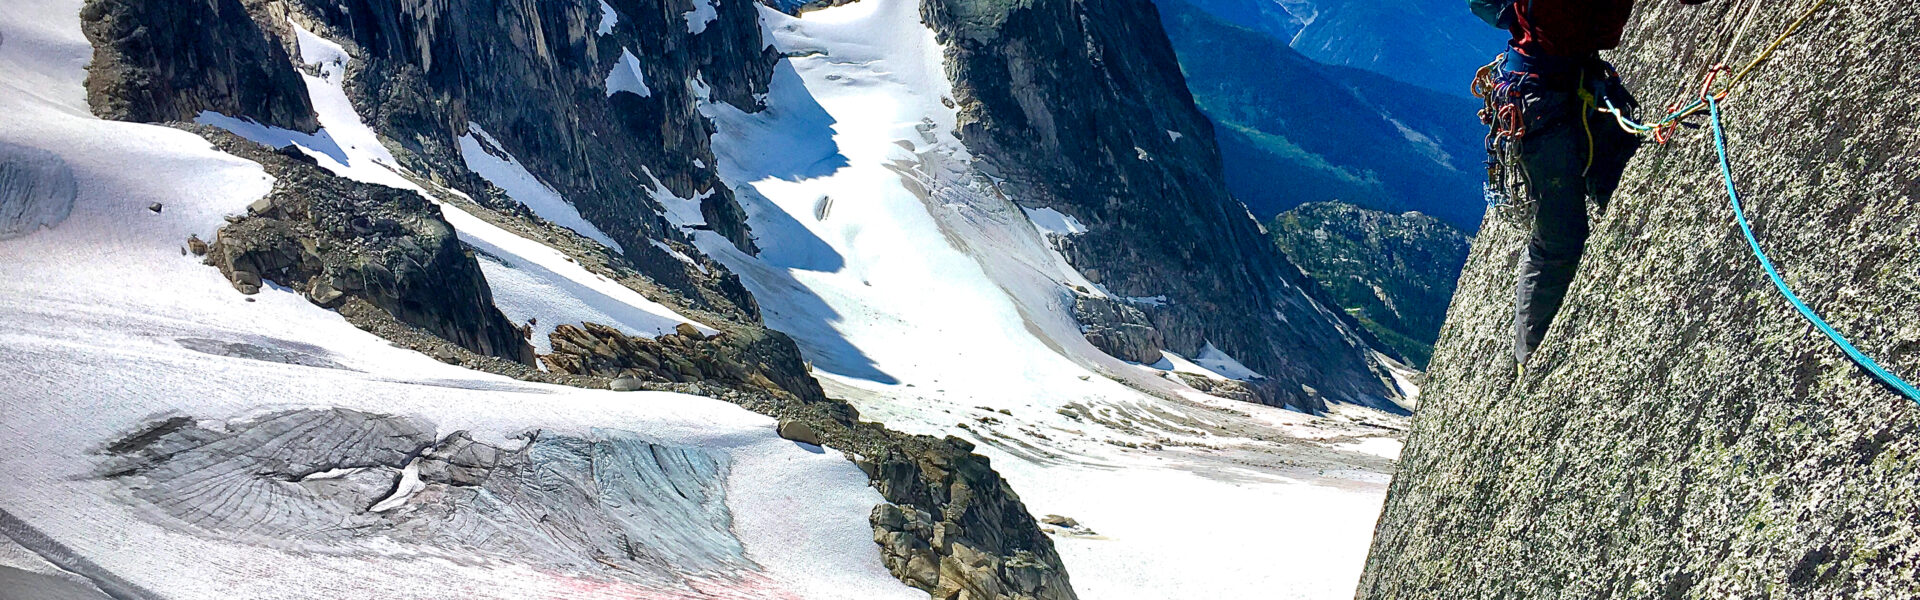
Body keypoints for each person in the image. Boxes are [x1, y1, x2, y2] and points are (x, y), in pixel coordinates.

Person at [1470, 0, 1710, 367]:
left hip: (1556, 86)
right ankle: (1529, 359)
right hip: (1543, 94)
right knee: (1560, 235)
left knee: (1623, 186)